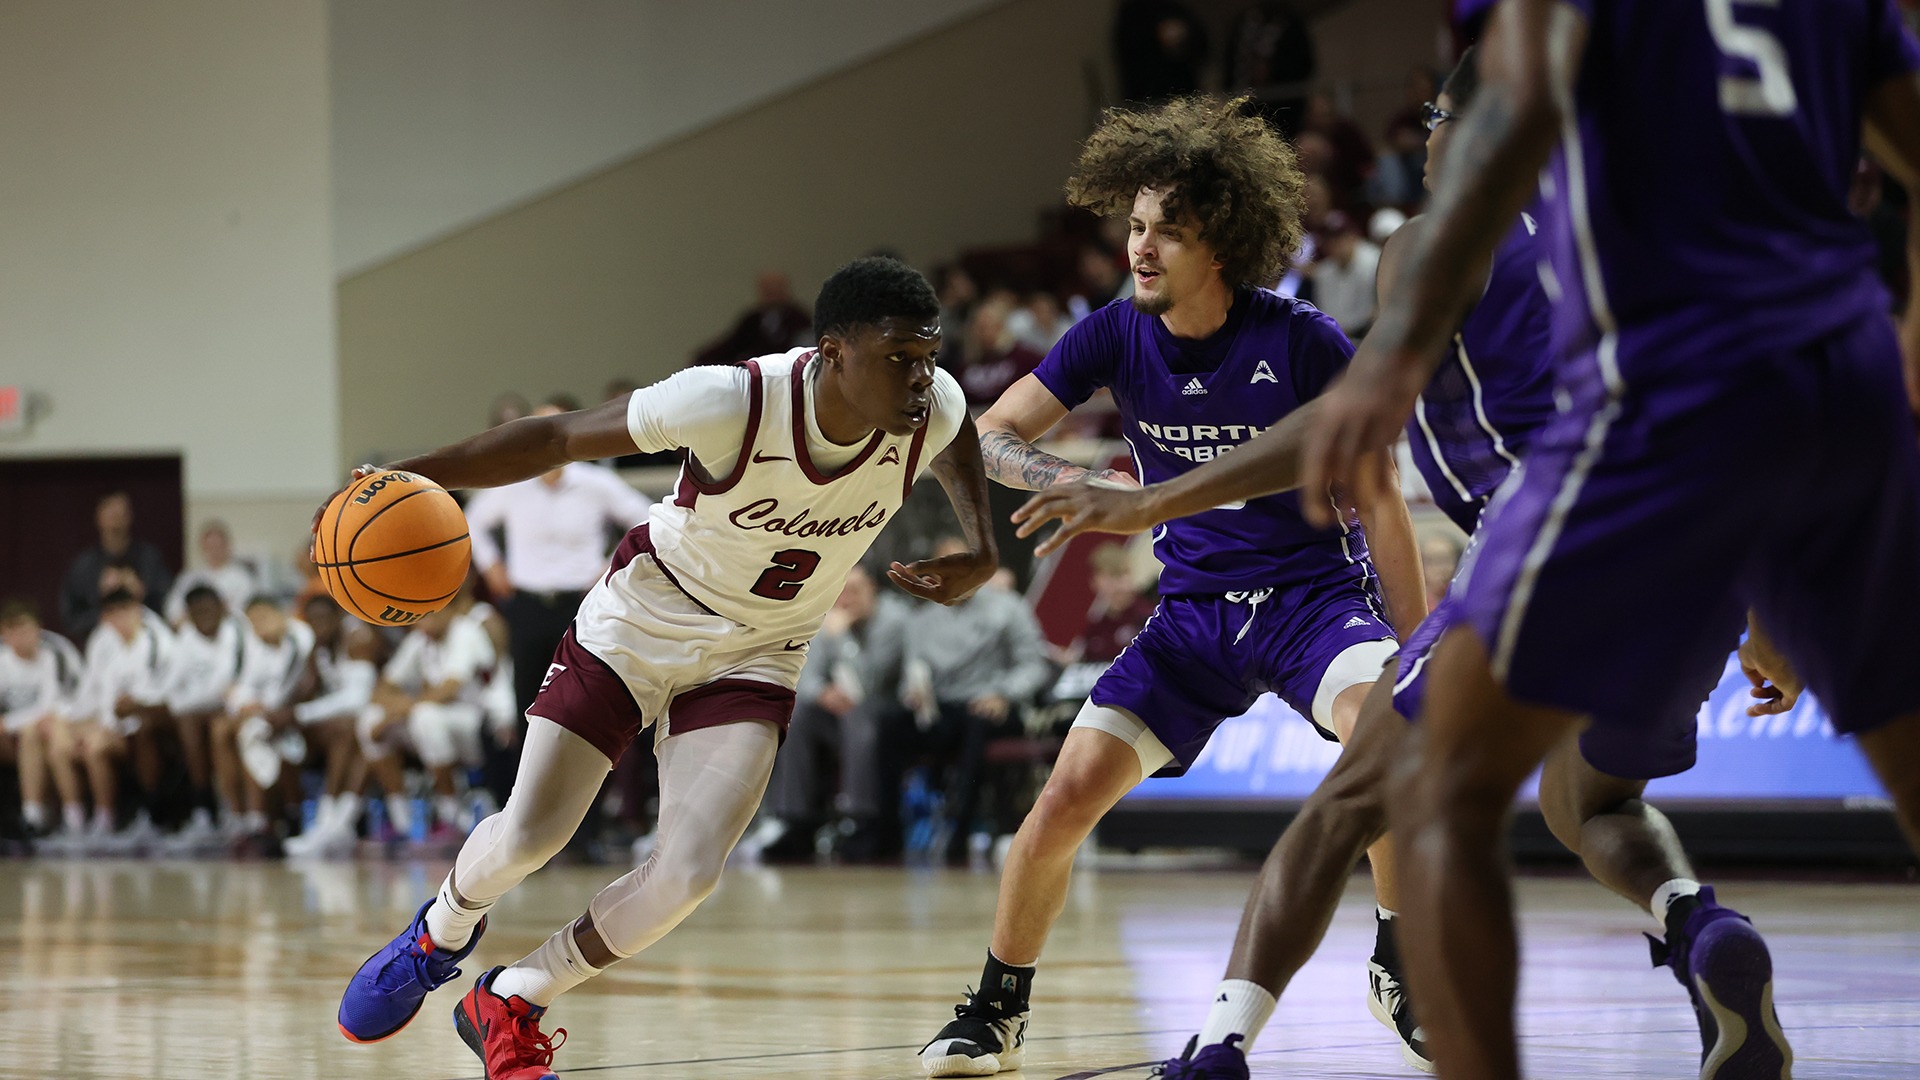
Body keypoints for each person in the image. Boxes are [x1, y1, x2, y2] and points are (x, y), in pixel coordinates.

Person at [1151, 4, 1920, 1076]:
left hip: (1555, 525)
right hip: (1734, 511)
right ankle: (1699, 927)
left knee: (1361, 805)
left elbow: (1357, 408)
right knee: (1587, 800)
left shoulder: (1437, 234)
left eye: (1435, 115)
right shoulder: (1669, 203)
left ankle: (1217, 1050)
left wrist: (1152, 500)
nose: (1421, 139)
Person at [333, 257, 996, 1080]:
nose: (920, 378)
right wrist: (421, 471)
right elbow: (558, 437)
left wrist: (984, 545)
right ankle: (439, 933)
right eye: (900, 357)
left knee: (688, 873)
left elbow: (959, 432)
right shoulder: (732, 400)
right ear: (833, 352)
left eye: (929, 357)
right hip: (643, 621)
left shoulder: (933, 406)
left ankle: (514, 995)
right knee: (533, 833)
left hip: (763, 647)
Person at [916, 97, 1426, 1078]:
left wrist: (1422, 641)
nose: (1140, 248)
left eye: (1168, 232)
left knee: (1385, 742)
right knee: (1060, 803)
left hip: (1309, 602)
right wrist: (1081, 483)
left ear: (1222, 242)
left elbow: (1385, 504)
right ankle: (993, 1011)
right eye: (1136, 226)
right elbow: (989, 436)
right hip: (1189, 618)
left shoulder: (1307, 341)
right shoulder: (1114, 332)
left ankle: (1399, 964)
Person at [462, 396, 651, 801]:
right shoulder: (512, 483)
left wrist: (610, 566)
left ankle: (587, 825)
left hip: (581, 606)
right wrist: (492, 563)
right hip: (527, 605)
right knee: (527, 708)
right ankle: (524, 814)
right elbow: (472, 520)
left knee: (584, 709)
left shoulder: (595, 483)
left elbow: (647, 517)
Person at [881, 536, 1052, 864]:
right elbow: (911, 674)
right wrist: (913, 694)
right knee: (889, 724)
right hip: (942, 709)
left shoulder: (1008, 606)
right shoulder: (919, 620)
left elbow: (1034, 665)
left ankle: (959, 833)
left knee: (977, 723)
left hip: (994, 705)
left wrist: (1004, 693)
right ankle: (886, 833)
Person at [755, 563, 907, 861]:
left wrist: (842, 638)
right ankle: (794, 819)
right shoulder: (827, 618)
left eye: (855, 591)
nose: (846, 599)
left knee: (857, 716)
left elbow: (869, 684)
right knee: (797, 714)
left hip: (884, 711)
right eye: (842, 591)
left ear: (873, 590)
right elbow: (807, 675)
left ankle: (859, 817)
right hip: (837, 710)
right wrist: (822, 694)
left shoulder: (894, 621)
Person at [280, 594, 383, 858]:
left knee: (349, 731)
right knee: (344, 731)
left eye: (324, 619)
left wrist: (300, 714)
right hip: (354, 725)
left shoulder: (358, 637)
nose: (319, 625)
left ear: (340, 617)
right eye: (312, 621)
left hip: (384, 717)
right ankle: (334, 825)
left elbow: (358, 699)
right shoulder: (320, 645)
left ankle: (332, 824)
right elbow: (306, 689)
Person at [70, 589, 173, 846]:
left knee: (138, 731)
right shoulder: (113, 652)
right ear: (106, 618)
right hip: (123, 728)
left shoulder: (159, 642)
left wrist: (134, 706)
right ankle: (102, 821)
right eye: (113, 615)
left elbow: (167, 692)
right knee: (91, 745)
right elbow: (107, 701)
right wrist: (106, 727)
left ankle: (152, 817)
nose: (121, 621)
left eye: (125, 612)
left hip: (158, 723)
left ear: (137, 611)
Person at [0, 601, 86, 839]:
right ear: (3, 634)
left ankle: (60, 819)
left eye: (25, 629)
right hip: (21, 732)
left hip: (66, 721)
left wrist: (8, 724)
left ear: (39, 628)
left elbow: (60, 704)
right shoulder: (2, 661)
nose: (20, 637)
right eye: (12, 631)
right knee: (31, 732)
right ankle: (32, 818)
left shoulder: (56, 653)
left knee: (43, 735)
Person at [59, 492, 173, 641]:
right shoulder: (84, 566)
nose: (116, 519)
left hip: (145, 639)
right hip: (98, 643)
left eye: (121, 513)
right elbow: (71, 617)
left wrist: (141, 594)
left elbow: (169, 606)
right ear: (99, 518)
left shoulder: (149, 558)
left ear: (130, 517)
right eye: (111, 514)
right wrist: (103, 607)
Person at [689, 270, 812, 367]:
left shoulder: (800, 319)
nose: (771, 293)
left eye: (775, 288)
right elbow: (733, 344)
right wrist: (702, 358)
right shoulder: (753, 320)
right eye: (767, 288)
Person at [163, 521, 260, 624]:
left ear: (227, 545)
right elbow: (173, 608)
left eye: (218, 545)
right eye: (210, 545)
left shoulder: (242, 577)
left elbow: (250, 609)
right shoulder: (189, 578)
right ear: (202, 547)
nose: (214, 550)